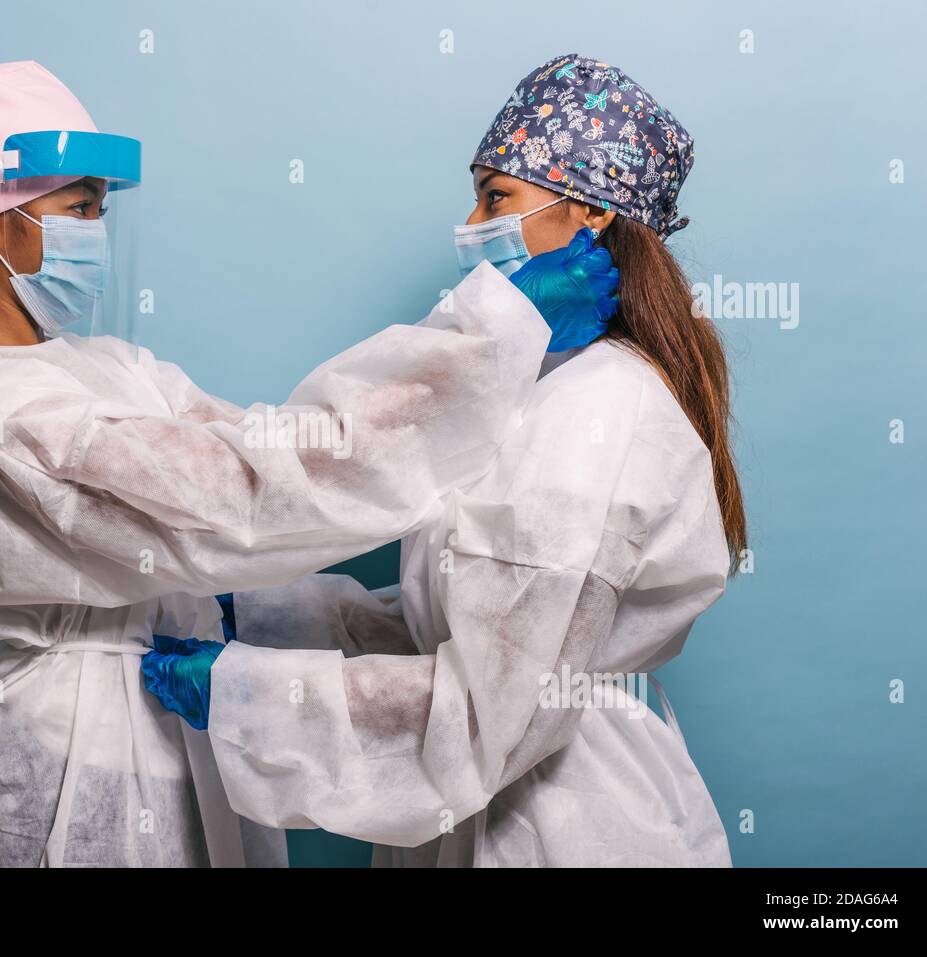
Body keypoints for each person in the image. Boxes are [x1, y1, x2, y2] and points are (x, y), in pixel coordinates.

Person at [0, 60, 619, 867]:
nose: (95, 230)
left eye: (99, 209)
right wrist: (493, 337)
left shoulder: (106, 366)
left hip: (167, 740)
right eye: (77, 207)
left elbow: (275, 449)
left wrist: (401, 613)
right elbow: (236, 498)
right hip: (62, 754)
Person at [143, 53, 746, 867]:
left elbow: (491, 707)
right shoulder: (541, 389)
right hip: (490, 812)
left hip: (564, 828)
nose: (470, 224)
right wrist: (265, 613)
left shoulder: (601, 409)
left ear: (593, 211)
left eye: (497, 196)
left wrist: (250, 697)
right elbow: (470, 619)